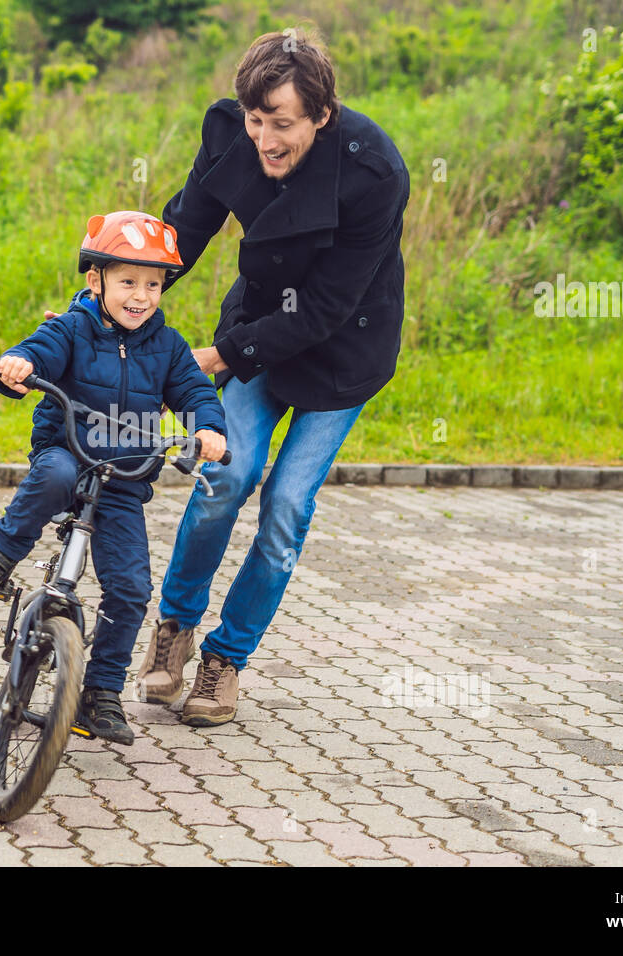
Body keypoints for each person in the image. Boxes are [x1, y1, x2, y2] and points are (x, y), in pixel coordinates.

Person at [134, 27, 410, 726]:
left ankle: (226, 660)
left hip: (343, 351)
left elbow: (324, 308)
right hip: (262, 328)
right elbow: (183, 231)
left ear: (321, 114)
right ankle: (174, 626)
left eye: (282, 123)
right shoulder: (232, 132)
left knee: (285, 506)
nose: (265, 140)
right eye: (257, 121)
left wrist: (218, 358)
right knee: (226, 474)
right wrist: (109, 305)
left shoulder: (374, 172)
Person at [0, 210, 228, 745]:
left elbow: (194, 392)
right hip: (68, 454)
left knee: (130, 590)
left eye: (153, 284)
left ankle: (99, 691)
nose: (141, 295)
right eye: (128, 281)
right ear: (95, 280)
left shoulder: (167, 347)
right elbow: (38, 353)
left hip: (123, 478)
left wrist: (209, 429)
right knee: (53, 471)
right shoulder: (72, 329)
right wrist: (16, 366)